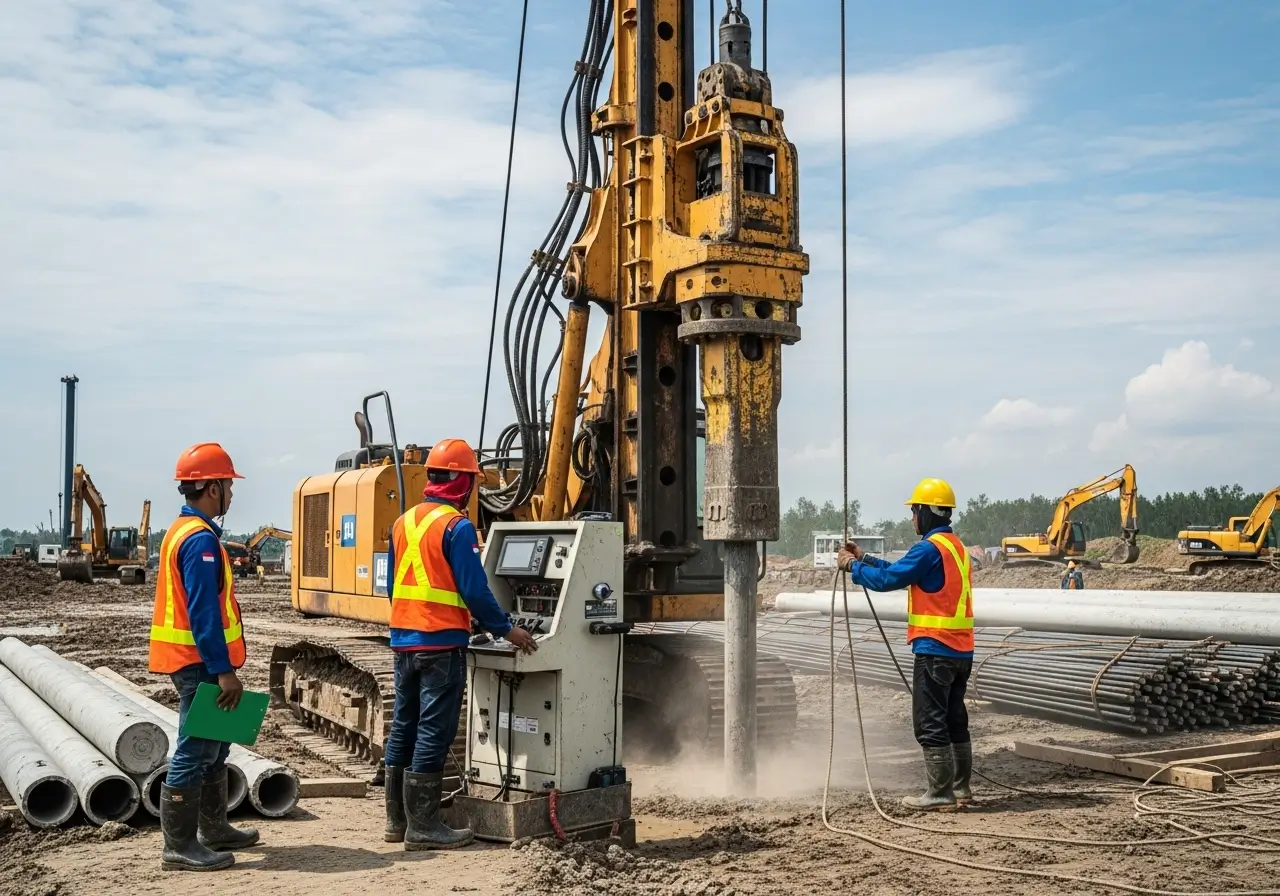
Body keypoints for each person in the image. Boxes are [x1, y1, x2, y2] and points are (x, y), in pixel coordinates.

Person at [382, 438, 538, 851]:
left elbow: (392, 588)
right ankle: (425, 827)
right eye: (471, 481)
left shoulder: (404, 522)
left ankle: (397, 822)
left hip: (404, 642)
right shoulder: (456, 526)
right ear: (461, 483)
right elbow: (475, 589)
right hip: (440, 644)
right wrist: (507, 630)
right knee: (435, 729)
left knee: (404, 725)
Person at [148, 442, 259, 871]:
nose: (232, 493)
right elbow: (204, 613)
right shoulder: (200, 541)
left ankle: (213, 829)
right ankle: (178, 845)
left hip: (196, 661)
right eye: (229, 485)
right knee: (194, 751)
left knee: (215, 746)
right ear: (213, 487)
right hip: (200, 664)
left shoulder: (186, 531)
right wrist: (224, 670)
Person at [838, 477, 974, 812]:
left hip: (935, 649)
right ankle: (962, 788)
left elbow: (889, 580)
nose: (912, 518)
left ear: (927, 513)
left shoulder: (928, 549)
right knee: (955, 719)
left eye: (914, 511)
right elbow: (902, 571)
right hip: (961, 651)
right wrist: (866, 557)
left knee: (929, 722)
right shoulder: (955, 547)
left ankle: (940, 793)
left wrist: (852, 567)